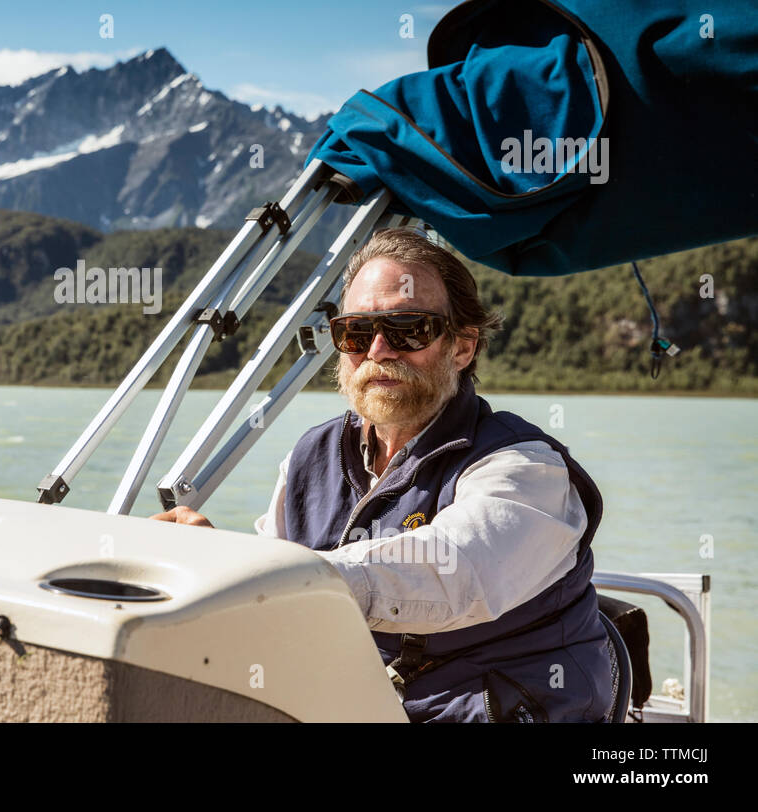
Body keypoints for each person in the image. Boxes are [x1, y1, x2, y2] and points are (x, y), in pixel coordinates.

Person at [152, 227, 615, 722]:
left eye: (408, 329)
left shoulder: (524, 469)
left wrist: (263, 576)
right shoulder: (311, 456)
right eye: (354, 332)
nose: (377, 351)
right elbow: (270, 588)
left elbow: (452, 573)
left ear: (462, 347)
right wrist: (213, 559)